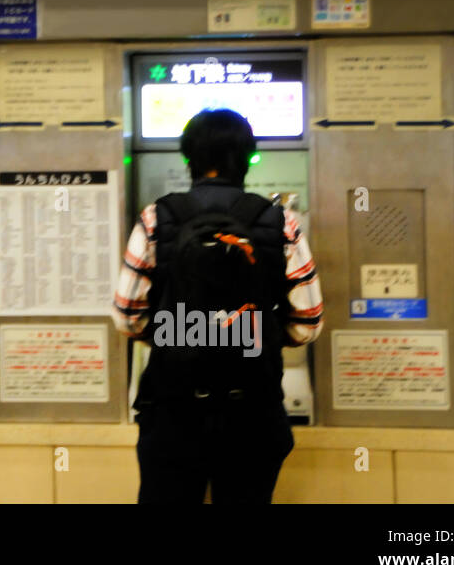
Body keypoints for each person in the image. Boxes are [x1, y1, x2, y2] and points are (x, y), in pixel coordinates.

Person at [112, 108, 322, 503]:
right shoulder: (282, 223)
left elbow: (127, 316)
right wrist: (258, 335)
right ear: (248, 159)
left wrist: (177, 335)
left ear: (188, 158)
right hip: (253, 411)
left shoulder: (156, 219)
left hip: (174, 411)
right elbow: (308, 323)